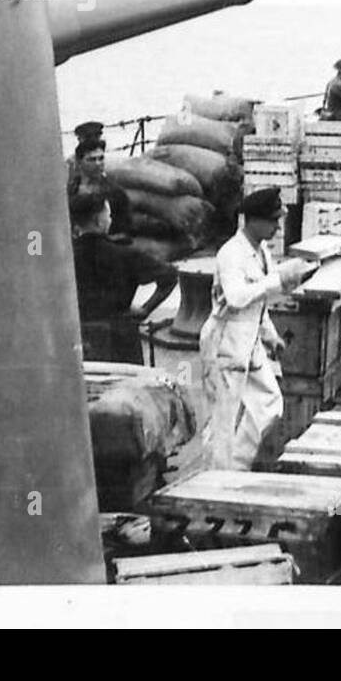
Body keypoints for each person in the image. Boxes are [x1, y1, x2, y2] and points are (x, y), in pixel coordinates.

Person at [198, 188, 315, 471]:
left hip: (250, 341)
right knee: (222, 420)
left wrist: (270, 336)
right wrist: (277, 282)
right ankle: (214, 482)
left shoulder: (261, 251)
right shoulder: (231, 254)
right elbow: (238, 298)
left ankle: (236, 466)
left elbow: (259, 303)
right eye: (273, 220)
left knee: (269, 403)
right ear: (252, 220)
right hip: (225, 343)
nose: (278, 227)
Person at [70, 191, 177, 364]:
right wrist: (146, 309)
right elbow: (169, 276)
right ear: (99, 221)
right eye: (109, 215)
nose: (110, 220)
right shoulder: (125, 255)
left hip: (78, 337)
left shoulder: (65, 257)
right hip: (120, 337)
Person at [67, 138, 133, 237]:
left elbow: (125, 229)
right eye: (91, 159)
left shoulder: (115, 193)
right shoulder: (69, 190)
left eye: (101, 158)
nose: (98, 163)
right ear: (79, 162)